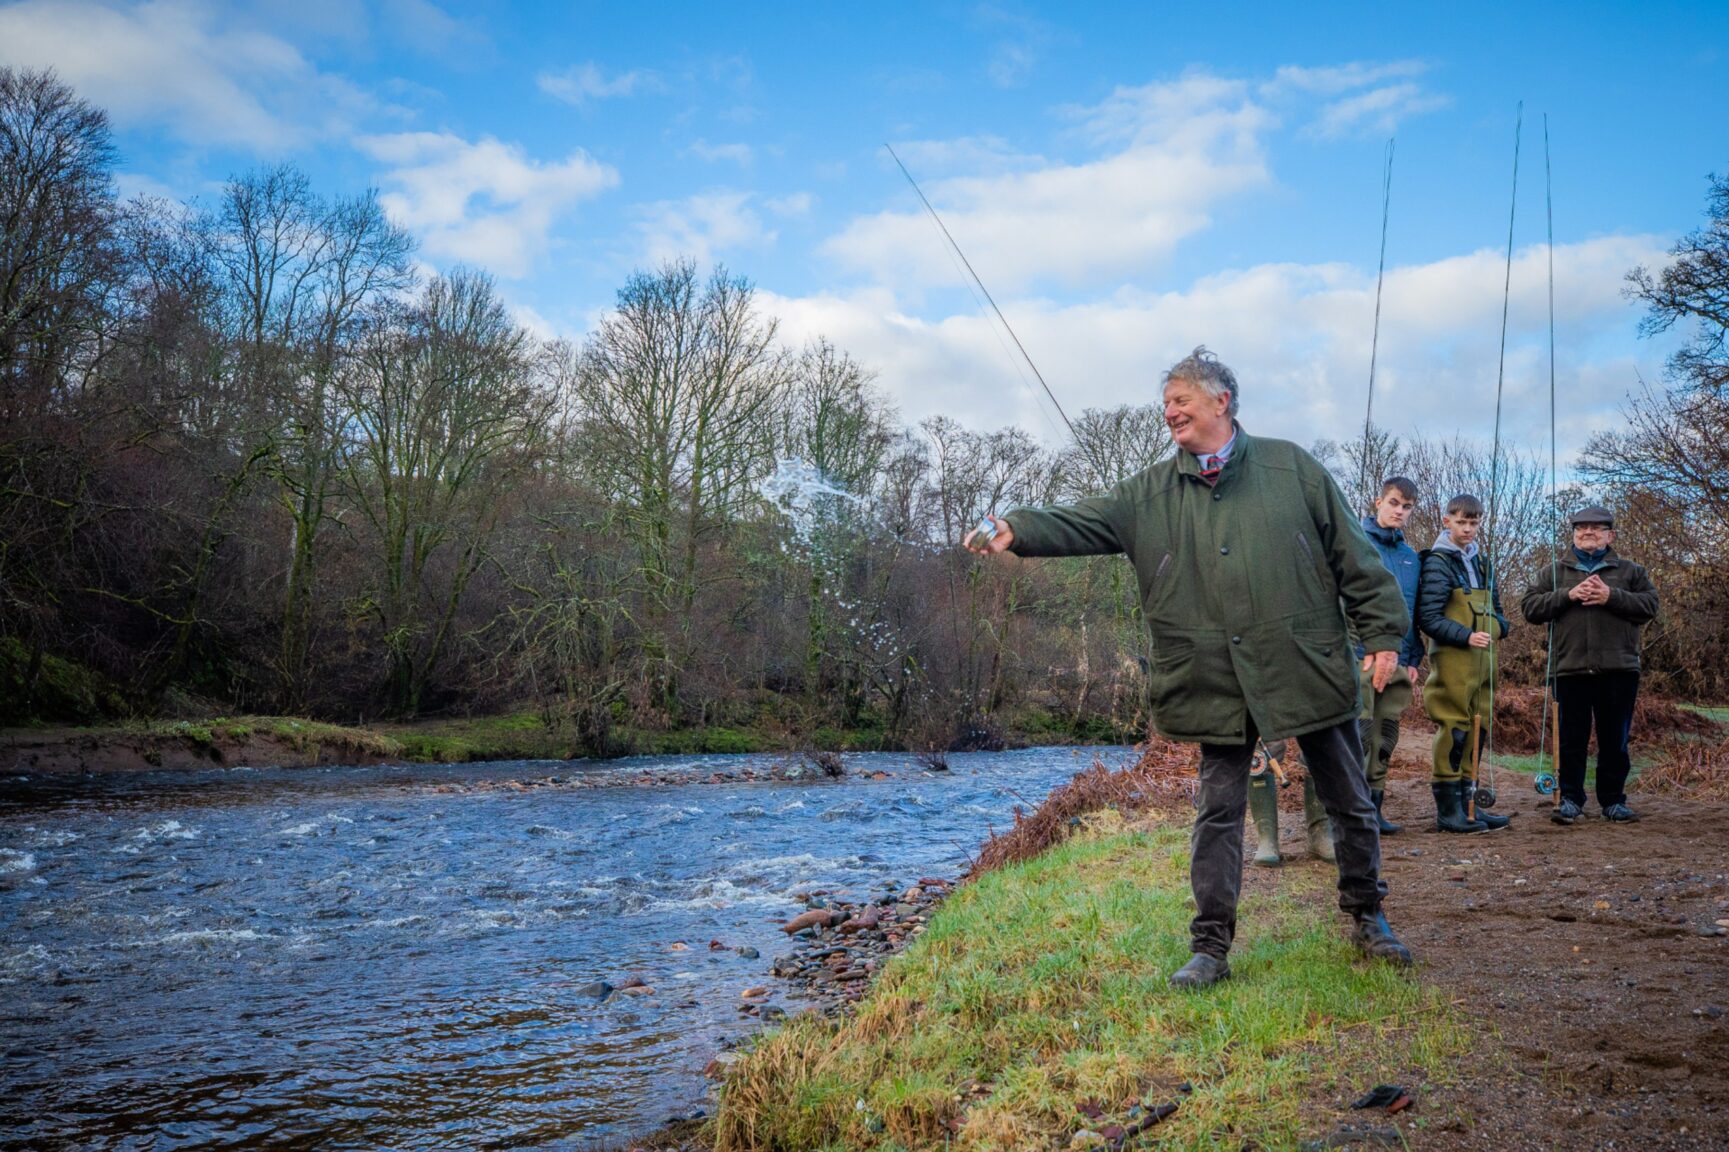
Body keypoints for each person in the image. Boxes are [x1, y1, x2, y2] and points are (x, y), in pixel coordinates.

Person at [965, 346, 1414, 988]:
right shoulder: (1149, 491)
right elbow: (1082, 519)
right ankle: (1210, 949)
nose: (1169, 411)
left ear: (1221, 401)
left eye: (1181, 399)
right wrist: (1016, 527)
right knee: (1217, 813)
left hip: (1303, 664)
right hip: (1212, 677)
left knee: (1348, 797)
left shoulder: (1295, 469)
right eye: (1167, 402)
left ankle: (1369, 918)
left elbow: (1356, 557)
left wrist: (1381, 635)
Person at [1519, 507, 1660, 824]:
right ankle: (1570, 799)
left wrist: (1612, 596)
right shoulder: (1554, 572)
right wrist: (1568, 595)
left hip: (1619, 670)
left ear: (1610, 535)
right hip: (1569, 669)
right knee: (1570, 741)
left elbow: (1650, 605)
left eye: (1596, 528)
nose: (1588, 533)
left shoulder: (1630, 572)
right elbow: (1529, 608)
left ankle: (1613, 802)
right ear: (1573, 534)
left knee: (1615, 741)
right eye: (1581, 528)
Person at [1416, 494, 1511, 833]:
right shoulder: (1438, 561)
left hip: (1485, 662)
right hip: (1454, 659)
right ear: (1447, 522)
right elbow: (1427, 617)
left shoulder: (1483, 563)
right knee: (1454, 729)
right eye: (1461, 522)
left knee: (1477, 727)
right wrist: (1467, 636)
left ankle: (1470, 805)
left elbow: (1500, 612)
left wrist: (1498, 628)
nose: (1468, 529)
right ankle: (1448, 811)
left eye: (1474, 523)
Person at [1357, 477, 1425, 835]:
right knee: (1360, 735)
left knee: (1386, 737)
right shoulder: (1354, 544)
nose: (1400, 511)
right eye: (1394, 503)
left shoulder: (1410, 557)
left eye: (1407, 506)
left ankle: (1375, 810)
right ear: (1378, 501)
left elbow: (1410, 611)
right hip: (1361, 657)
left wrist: (1413, 658)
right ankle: (1351, 815)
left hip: (1399, 660)